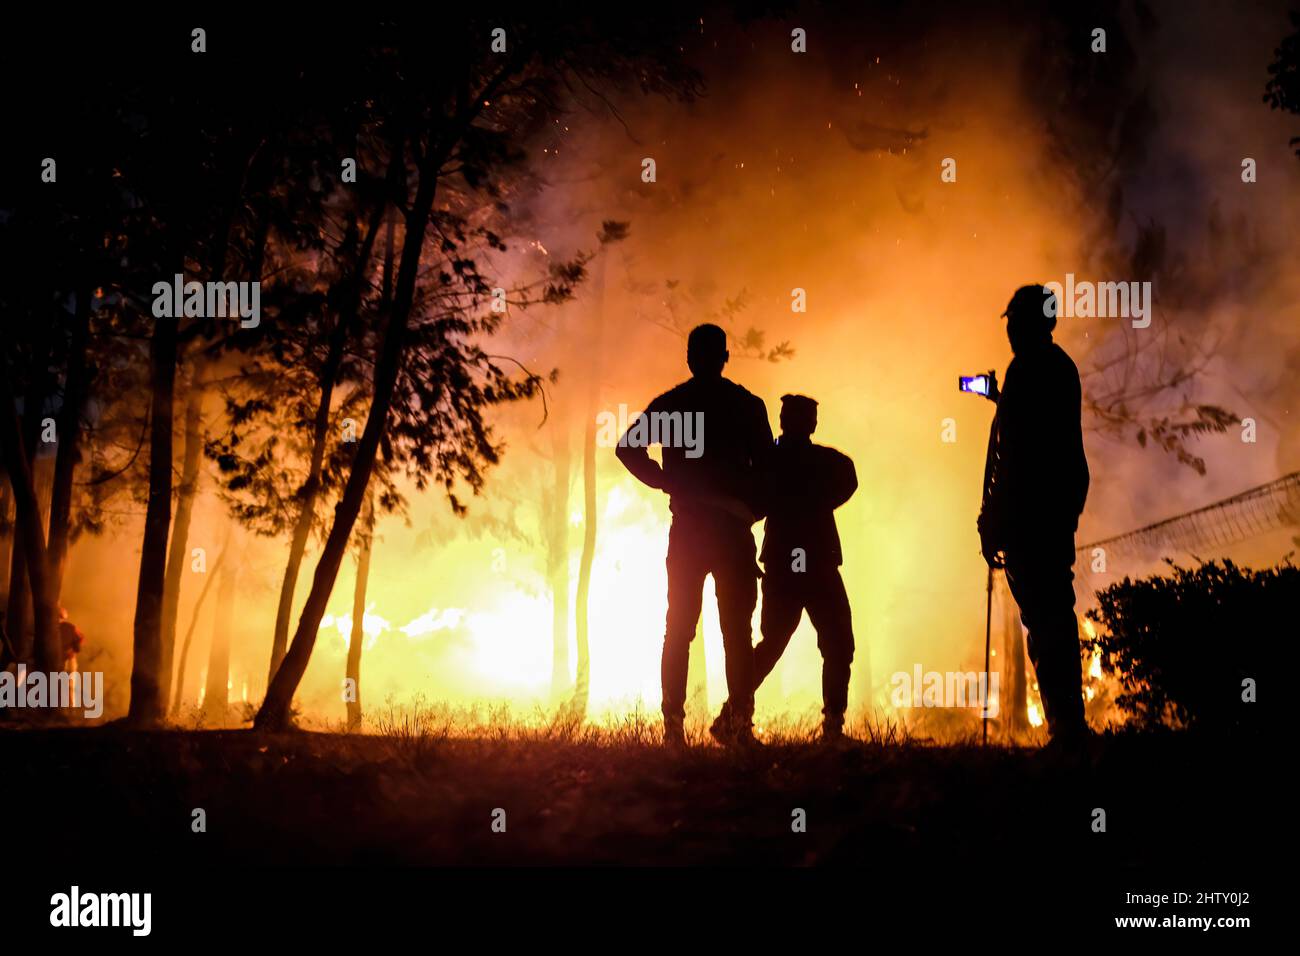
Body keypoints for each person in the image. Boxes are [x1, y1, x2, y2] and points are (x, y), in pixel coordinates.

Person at [616, 324, 773, 748]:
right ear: (725, 357)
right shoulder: (745, 405)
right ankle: (738, 727)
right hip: (729, 532)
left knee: (681, 628)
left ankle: (674, 731)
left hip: (690, 530)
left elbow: (627, 448)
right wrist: (749, 510)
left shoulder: (674, 405)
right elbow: (768, 474)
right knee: (734, 631)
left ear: (690, 357)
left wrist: (668, 483)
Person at [978, 284, 1091, 745]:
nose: (1009, 333)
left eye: (1014, 322)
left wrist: (992, 520)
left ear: (1031, 323)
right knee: (1052, 615)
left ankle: (1067, 729)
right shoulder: (1058, 367)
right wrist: (1000, 399)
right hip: (1055, 505)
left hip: (1033, 513)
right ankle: (1069, 725)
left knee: (1045, 619)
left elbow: (1017, 456)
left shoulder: (1029, 368)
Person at [726, 394, 858, 741]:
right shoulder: (816, 462)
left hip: (789, 562)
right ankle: (831, 727)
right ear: (808, 423)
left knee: (779, 644)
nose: (810, 423)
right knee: (835, 642)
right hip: (813, 563)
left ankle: (733, 717)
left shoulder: (769, 461)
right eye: (808, 417)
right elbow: (848, 477)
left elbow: (750, 504)